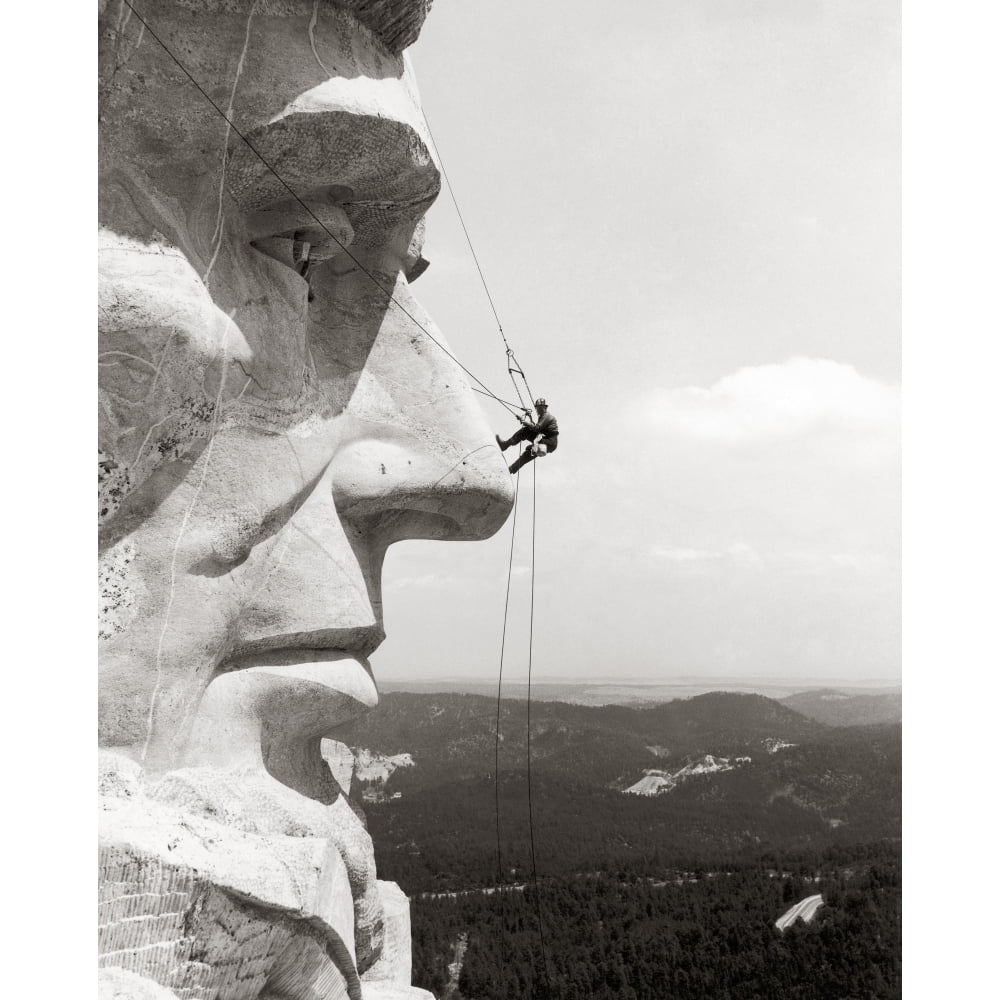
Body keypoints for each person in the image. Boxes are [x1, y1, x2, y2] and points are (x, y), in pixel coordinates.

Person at [496, 397, 559, 473]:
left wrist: (523, 421)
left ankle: (505, 445)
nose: (538, 410)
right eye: (537, 408)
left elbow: (536, 428)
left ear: (545, 407)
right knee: (530, 452)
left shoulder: (547, 416)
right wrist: (529, 417)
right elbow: (536, 427)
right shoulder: (542, 416)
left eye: (540, 408)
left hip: (549, 442)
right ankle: (512, 469)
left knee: (525, 432)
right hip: (547, 441)